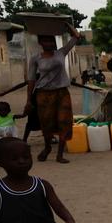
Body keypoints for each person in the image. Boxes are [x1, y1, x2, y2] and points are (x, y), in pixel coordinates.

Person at [26, 23, 83, 163]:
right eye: (46, 41)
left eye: (51, 41)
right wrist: (28, 100)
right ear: (40, 43)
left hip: (62, 93)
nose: (49, 43)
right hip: (43, 95)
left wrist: (66, 23)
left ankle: (60, 154)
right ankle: (47, 147)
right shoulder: (35, 59)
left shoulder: (61, 53)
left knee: (64, 121)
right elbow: (31, 79)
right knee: (47, 123)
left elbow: (76, 37)